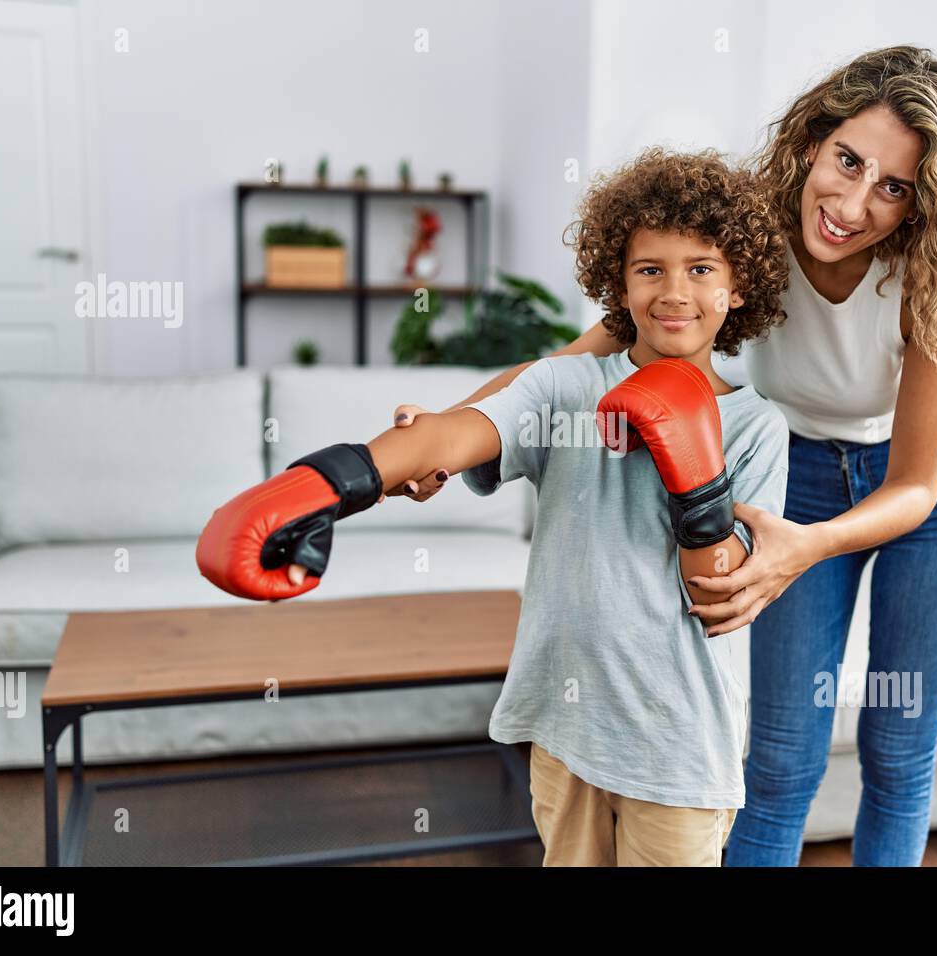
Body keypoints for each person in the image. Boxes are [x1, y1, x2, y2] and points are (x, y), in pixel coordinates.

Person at [391, 46, 937, 867]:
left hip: (924, 492)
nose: (854, 204)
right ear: (815, 141)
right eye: (847, 161)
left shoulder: (936, 274)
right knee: (782, 755)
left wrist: (810, 547)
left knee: (899, 746)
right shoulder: (739, 238)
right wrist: (448, 426)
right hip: (795, 476)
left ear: (923, 198)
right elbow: (572, 366)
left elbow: (917, 483)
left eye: (893, 186)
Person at [196, 147, 793, 866]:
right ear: (620, 285)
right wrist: (325, 486)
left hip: (681, 741)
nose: (674, 290)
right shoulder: (563, 387)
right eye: (649, 269)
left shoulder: (758, 426)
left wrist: (697, 476)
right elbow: (452, 434)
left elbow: (722, 588)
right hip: (565, 724)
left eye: (701, 269)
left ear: (737, 289)